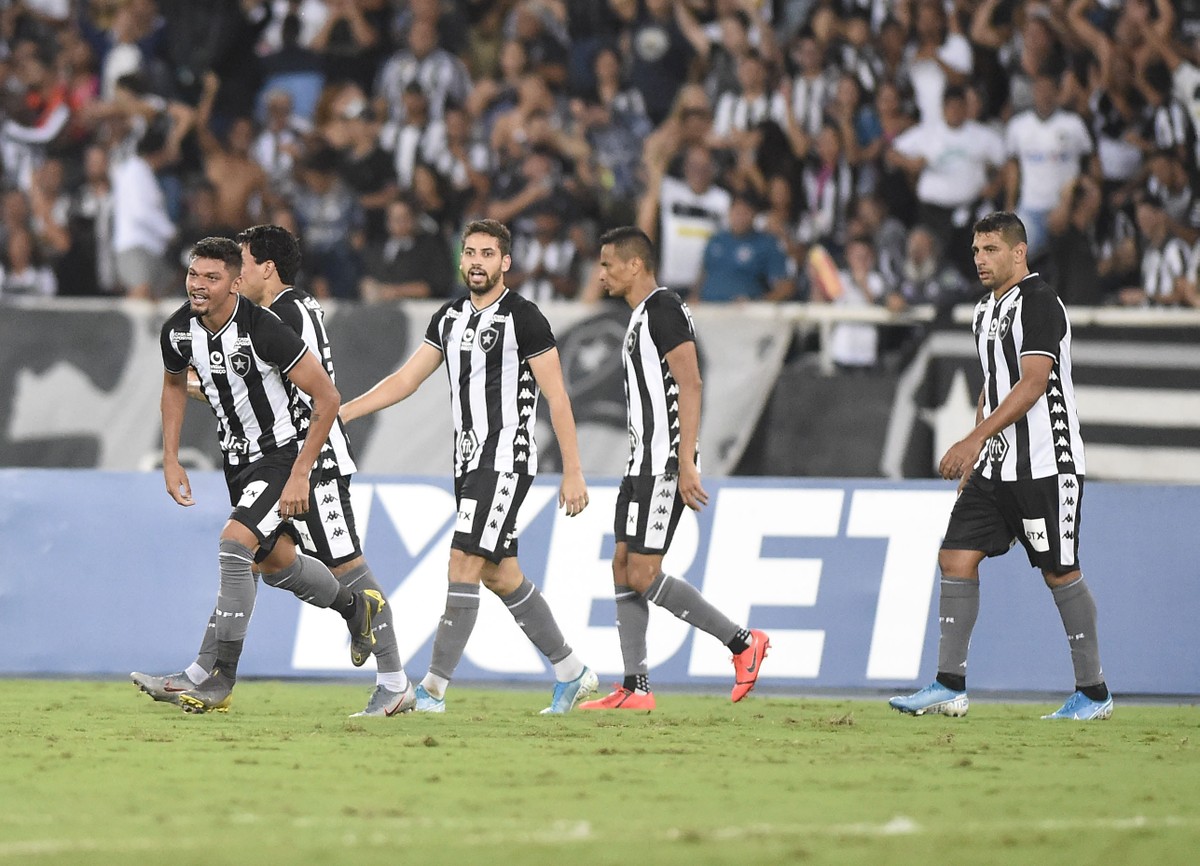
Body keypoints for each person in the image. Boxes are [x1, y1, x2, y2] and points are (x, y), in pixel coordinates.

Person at [134, 226, 415, 718]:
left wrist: (304, 469)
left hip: (309, 457)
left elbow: (314, 390)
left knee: (335, 564)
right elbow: (219, 383)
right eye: (196, 273)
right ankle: (348, 616)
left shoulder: (278, 317)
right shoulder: (208, 323)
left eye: (237, 266)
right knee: (267, 560)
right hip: (252, 459)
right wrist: (174, 450)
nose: (232, 276)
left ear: (260, 270)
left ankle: (393, 681)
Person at [340, 219, 598, 715]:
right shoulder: (449, 317)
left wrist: (573, 471)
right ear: (462, 261)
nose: (476, 261)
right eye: (470, 252)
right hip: (466, 461)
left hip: (505, 460)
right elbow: (406, 380)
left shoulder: (525, 318)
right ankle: (572, 673)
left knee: (462, 562)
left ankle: (431, 691)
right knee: (501, 575)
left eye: (487, 253)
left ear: (506, 263)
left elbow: (557, 398)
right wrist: (344, 411)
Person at [890, 212, 1112, 722]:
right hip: (997, 464)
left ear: (1019, 252)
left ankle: (1094, 692)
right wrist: (977, 452)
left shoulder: (1040, 302)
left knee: (1060, 572)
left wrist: (971, 439)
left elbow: (1033, 383)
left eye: (991, 250)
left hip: (1046, 463)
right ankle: (950, 685)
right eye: (975, 251)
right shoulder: (983, 312)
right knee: (955, 557)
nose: (981, 260)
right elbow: (994, 385)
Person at [581, 226, 770, 711]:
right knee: (622, 566)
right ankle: (635, 687)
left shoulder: (663, 309)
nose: (600, 273)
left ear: (635, 265)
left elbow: (691, 384)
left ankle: (743, 643)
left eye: (607, 264)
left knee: (643, 571)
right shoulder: (641, 315)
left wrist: (685, 461)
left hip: (663, 464)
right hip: (640, 461)